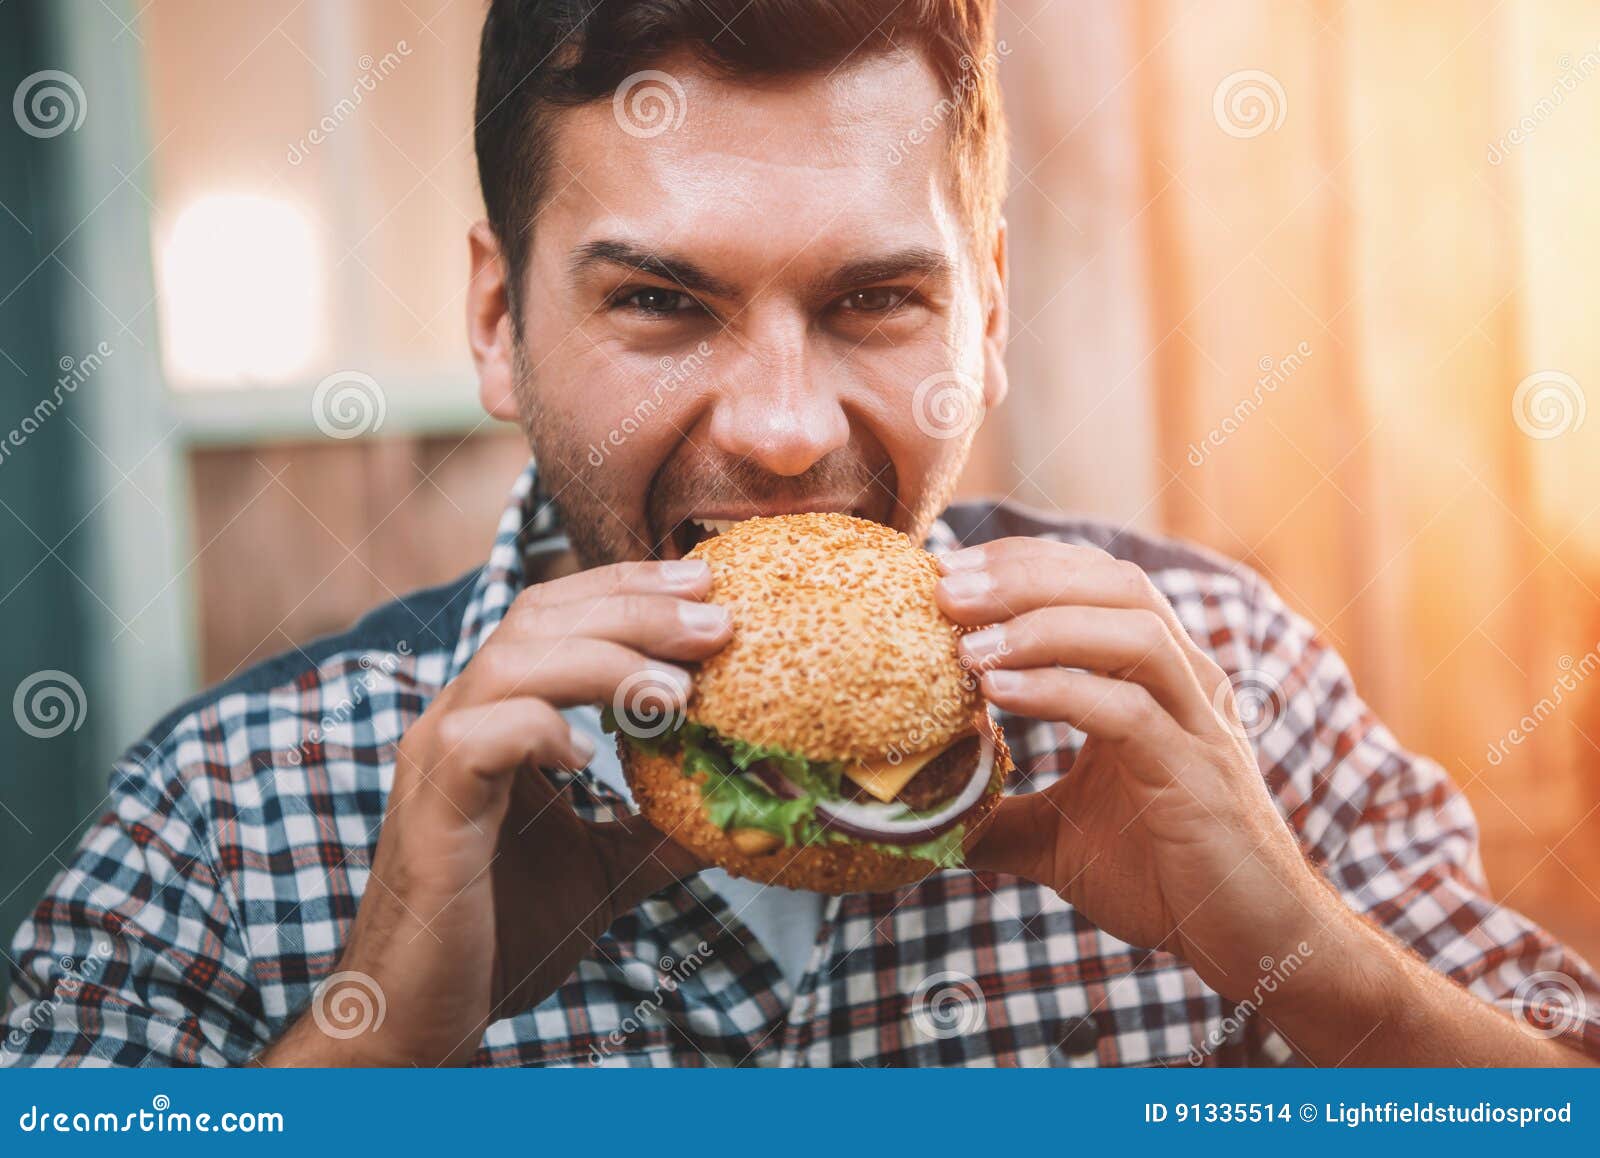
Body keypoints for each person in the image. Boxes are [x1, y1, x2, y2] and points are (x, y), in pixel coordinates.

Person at [5, 0, 1597, 1068]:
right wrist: (375, 1043)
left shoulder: (1228, 683)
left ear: (985, 312)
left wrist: (1315, 965)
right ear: (498, 321)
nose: (781, 428)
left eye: (875, 297)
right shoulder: (224, 815)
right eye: (660, 301)